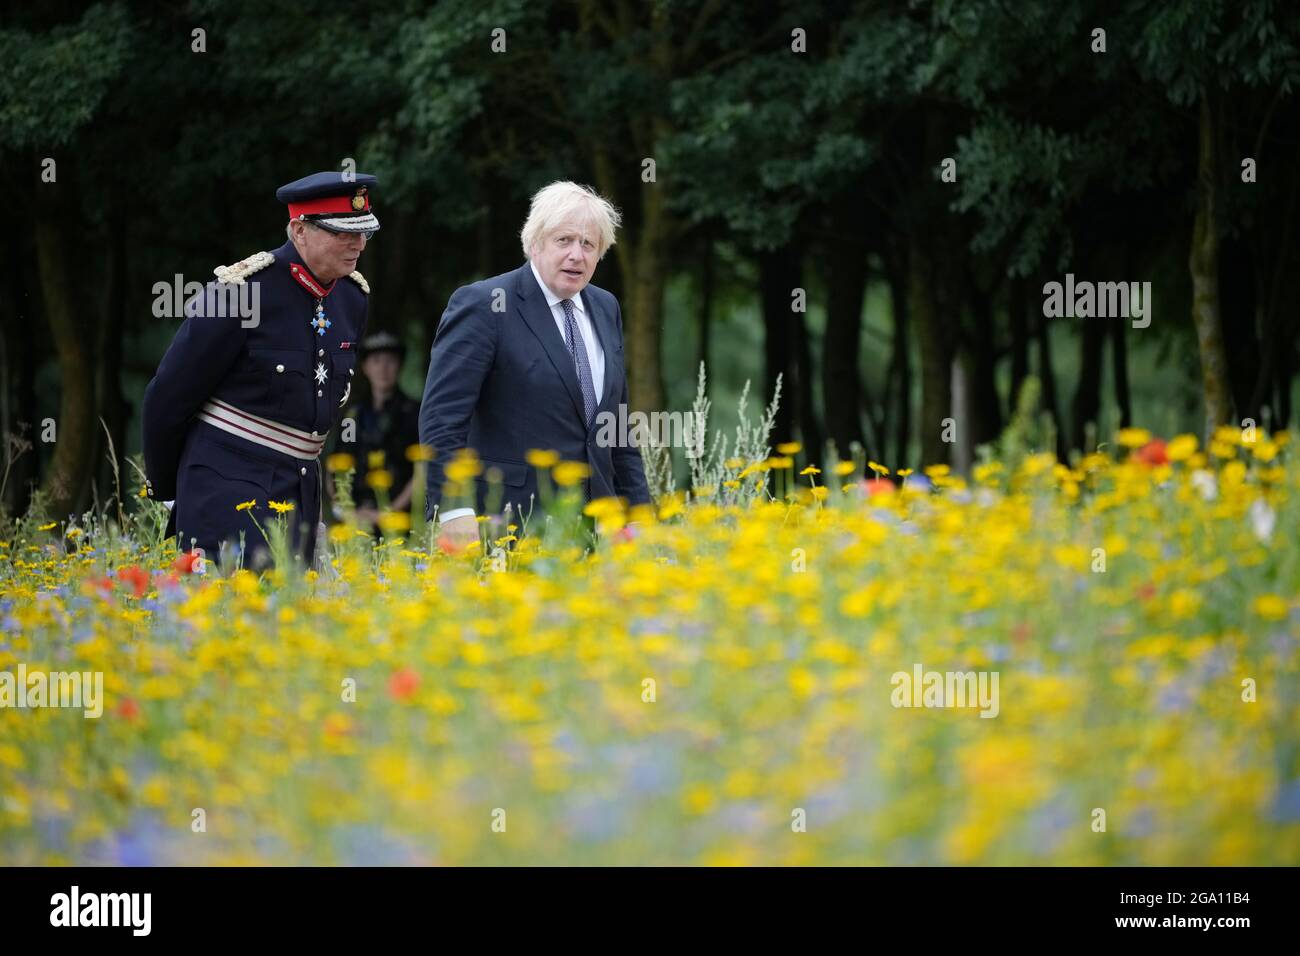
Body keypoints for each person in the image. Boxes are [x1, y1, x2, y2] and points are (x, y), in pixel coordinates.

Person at [142, 171, 377, 567]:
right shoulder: (240, 292)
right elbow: (167, 397)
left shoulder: (352, 297)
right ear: (298, 229)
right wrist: (171, 489)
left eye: (363, 232)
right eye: (341, 233)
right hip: (228, 491)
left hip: (300, 492)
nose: (357, 244)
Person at [418, 180, 650, 546]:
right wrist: (453, 508)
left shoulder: (606, 308)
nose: (577, 254)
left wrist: (640, 516)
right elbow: (442, 420)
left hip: (598, 530)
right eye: (564, 240)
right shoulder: (484, 305)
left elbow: (616, 427)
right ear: (535, 243)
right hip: (509, 523)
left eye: (588, 244)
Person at [329, 330, 421, 530]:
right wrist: (345, 509)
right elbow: (336, 464)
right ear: (365, 367)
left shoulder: (414, 413)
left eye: (390, 361)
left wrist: (390, 513)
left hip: (400, 521)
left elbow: (422, 471)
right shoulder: (352, 416)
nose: (383, 368)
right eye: (376, 361)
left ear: (400, 365)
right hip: (355, 519)